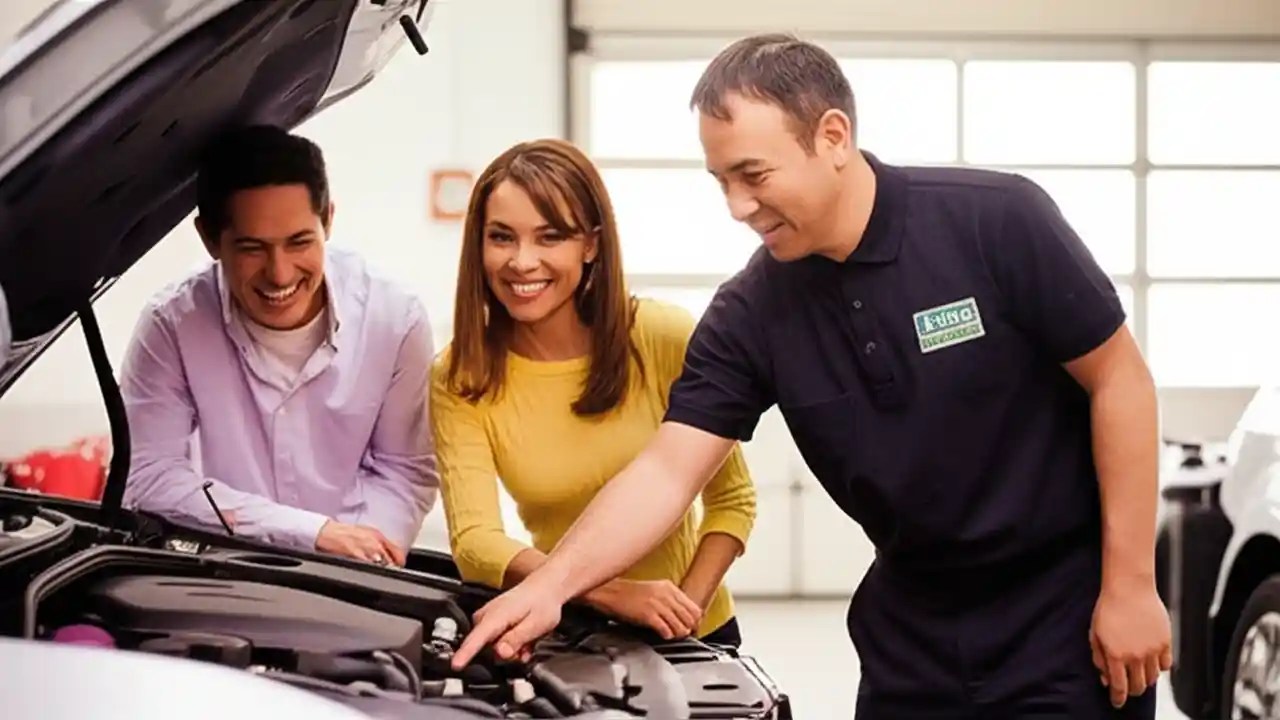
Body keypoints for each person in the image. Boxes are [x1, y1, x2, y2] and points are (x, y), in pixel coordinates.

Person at [451, 34, 1172, 718]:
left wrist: (1131, 584)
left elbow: (1120, 381)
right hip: (912, 639)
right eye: (721, 181)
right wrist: (553, 586)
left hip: (1066, 620)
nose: (737, 206)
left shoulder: (995, 221)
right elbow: (669, 470)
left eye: (753, 175)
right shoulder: (752, 312)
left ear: (832, 137)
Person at [431, 138, 756, 646]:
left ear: (591, 244)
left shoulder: (661, 337)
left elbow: (732, 500)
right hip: (573, 631)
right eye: (501, 237)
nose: (522, 261)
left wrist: (686, 612)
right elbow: (476, 543)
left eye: (550, 237)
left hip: (699, 632)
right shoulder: (461, 375)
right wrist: (610, 592)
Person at [119, 124, 439, 567]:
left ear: (328, 219)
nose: (281, 274)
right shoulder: (171, 325)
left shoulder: (395, 319)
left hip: (360, 576)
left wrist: (362, 555)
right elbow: (151, 479)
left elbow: (406, 468)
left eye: (299, 242)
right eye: (253, 248)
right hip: (223, 571)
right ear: (210, 239)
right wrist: (315, 535)